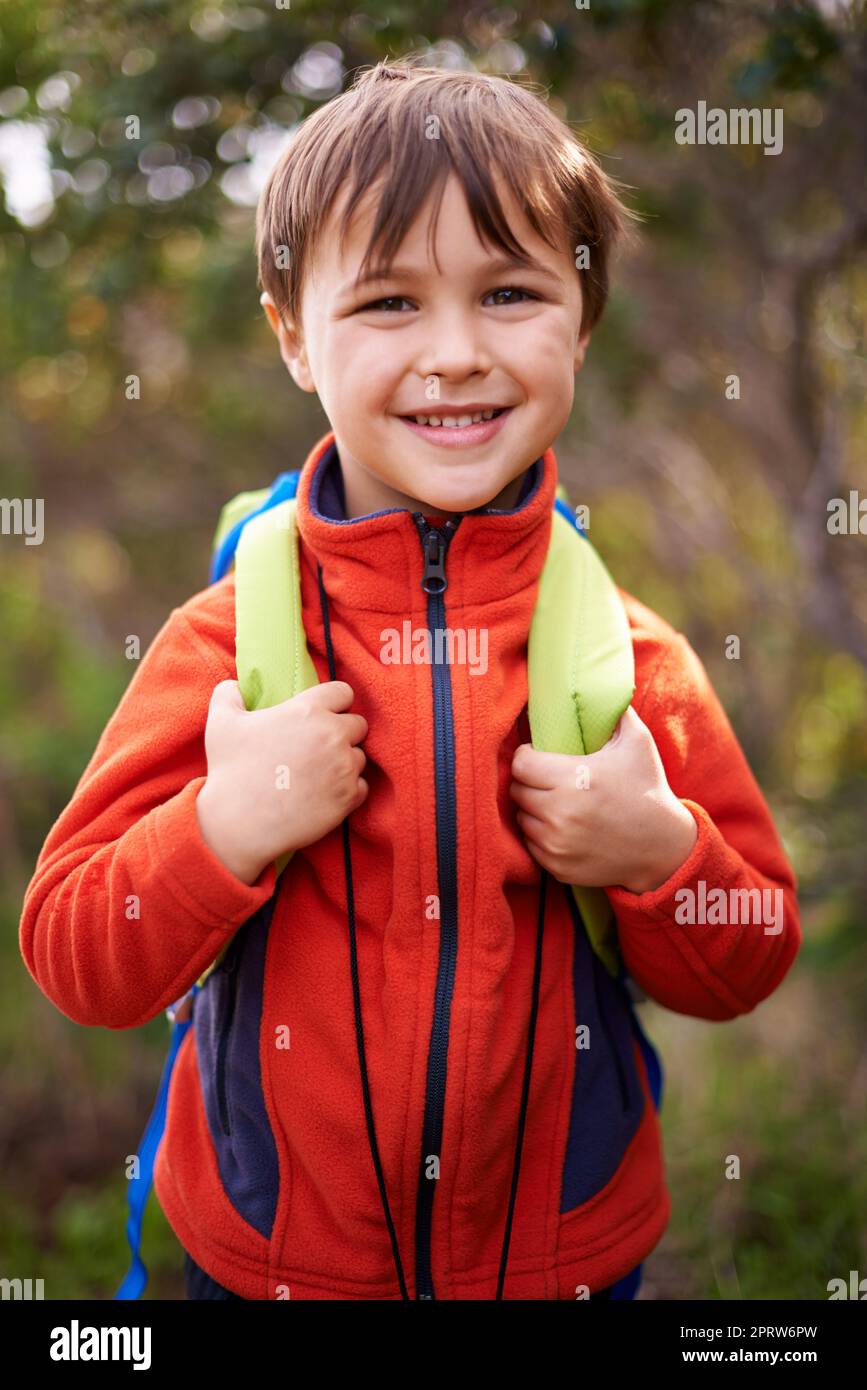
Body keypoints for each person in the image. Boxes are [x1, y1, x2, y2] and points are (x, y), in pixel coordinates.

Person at [19, 58, 800, 1301]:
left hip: (565, 1272)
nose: (455, 354)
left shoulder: (622, 649)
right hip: (275, 1269)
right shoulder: (227, 645)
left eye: (509, 292)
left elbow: (751, 951)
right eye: (388, 302)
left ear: (580, 322)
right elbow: (74, 949)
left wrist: (659, 854)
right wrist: (224, 827)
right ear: (293, 337)